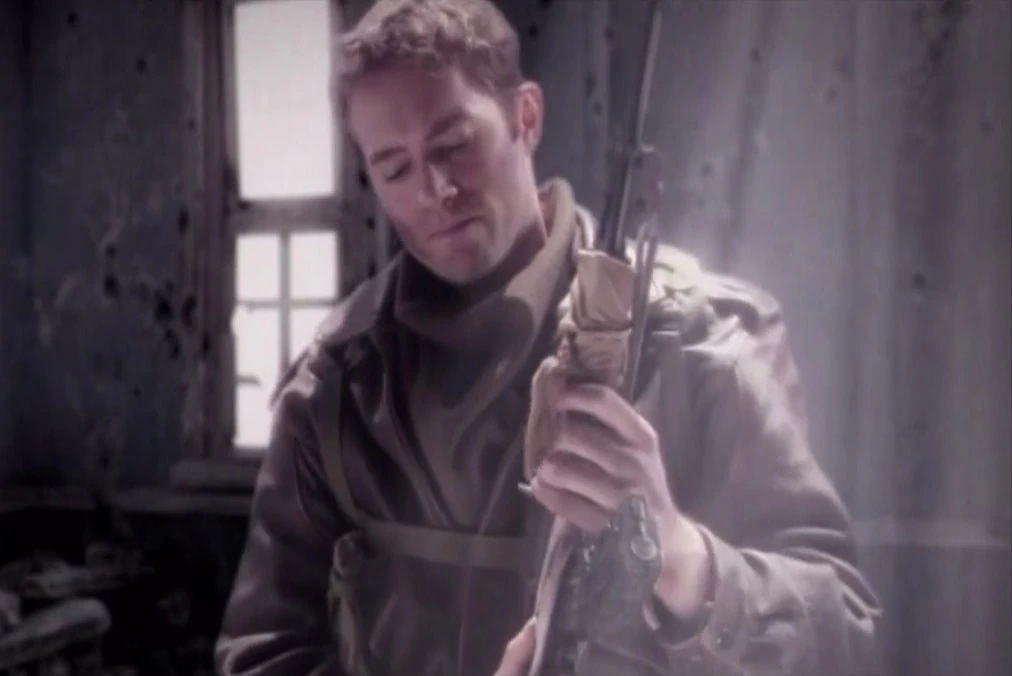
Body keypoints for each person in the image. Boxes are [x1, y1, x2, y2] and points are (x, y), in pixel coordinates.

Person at [215, 0, 883, 674]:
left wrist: (682, 555)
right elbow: (263, 654)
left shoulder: (700, 342)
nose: (435, 188)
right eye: (394, 169)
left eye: (455, 145)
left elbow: (844, 634)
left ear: (525, 118)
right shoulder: (336, 387)